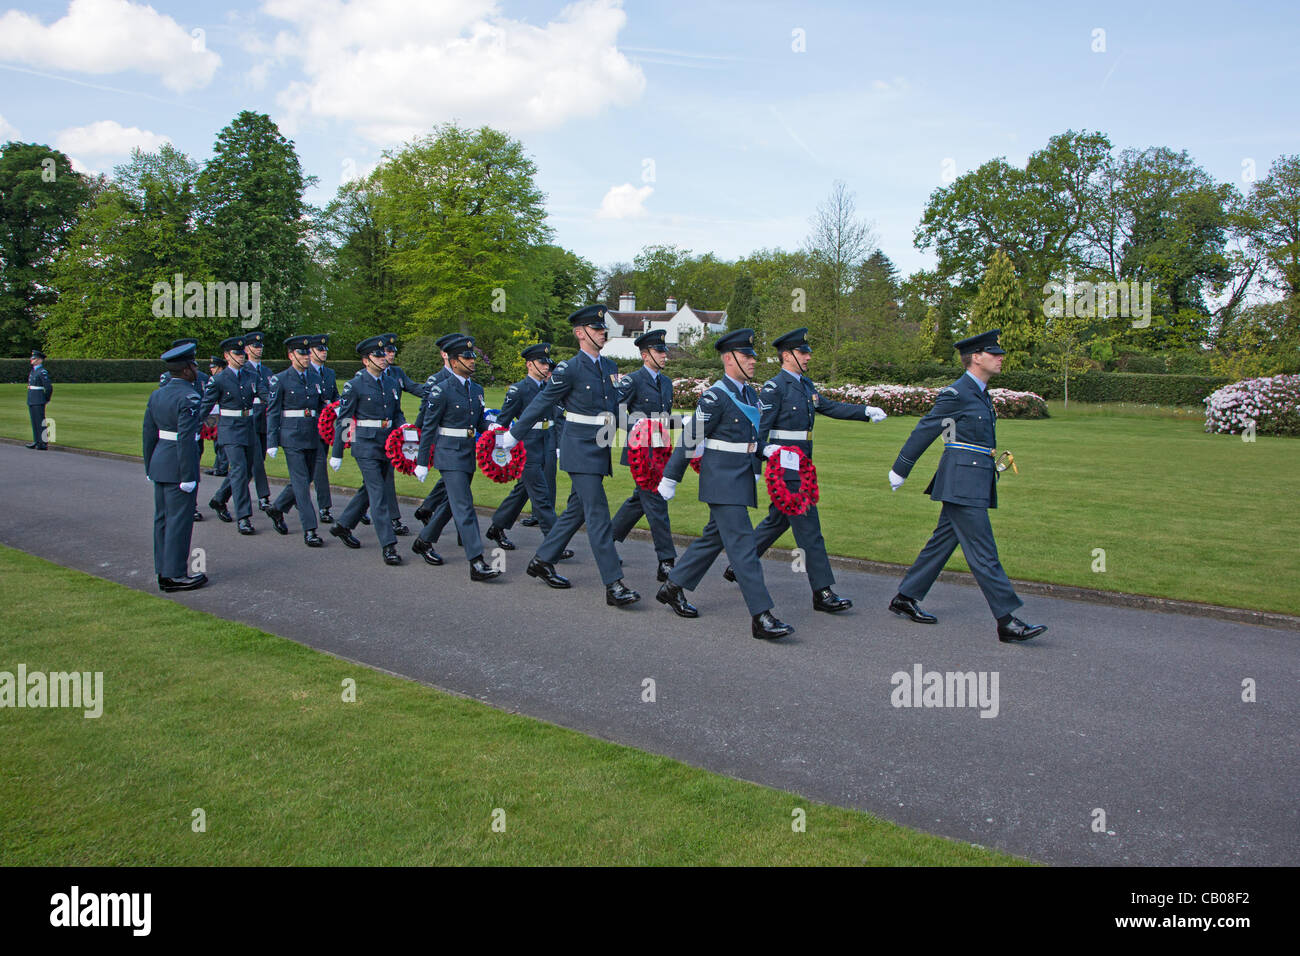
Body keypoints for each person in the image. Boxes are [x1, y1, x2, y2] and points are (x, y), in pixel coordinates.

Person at [887, 328, 1048, 643]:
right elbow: (928, 428)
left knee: (943, 541)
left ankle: (906, 597)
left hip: (971, 478)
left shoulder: (980, 392)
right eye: (994, 354)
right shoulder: (957, 393)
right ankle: (1006, 620)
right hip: (962, 482)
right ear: (976, 358)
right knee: (983, 551)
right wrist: (901, 468)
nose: (1001, 358)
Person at [721, 327, 888, 612]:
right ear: (787, 356)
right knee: (810, 529)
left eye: (807, 351)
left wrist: (864, 411)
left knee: (778, 520)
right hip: (786, 467)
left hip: (802, 462)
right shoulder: (776, 388)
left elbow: (829, 407)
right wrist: (757, 462)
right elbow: (759, 430)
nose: (808, 356)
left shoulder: (805, 385)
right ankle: (822, 592)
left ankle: (740, 564)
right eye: (803, 352)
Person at [654, 329, 794, 639]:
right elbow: (691, 437)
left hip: (739, 476)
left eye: (753, 357)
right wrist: (670, 477)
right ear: (729, 359)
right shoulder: (715, 396)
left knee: (713, 538)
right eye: (747, 357)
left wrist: (763, 451)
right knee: (743, 547)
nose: (753, 362)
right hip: (722, 480)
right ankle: (761, 616)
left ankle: (673, 587)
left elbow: (748, 437)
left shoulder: (749, 394)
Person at [499, 304, 640, 608]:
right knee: (598, 513)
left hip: (599, 447)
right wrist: (514, 434)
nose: (603, 333)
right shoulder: (569, 368)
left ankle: (542, 560)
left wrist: (640, 425)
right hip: (579, 449)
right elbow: (541, 402)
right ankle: (614, 585)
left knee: (576, 510)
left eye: (604, 329)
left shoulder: (608, 367)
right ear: (580, 333)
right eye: (597, 328)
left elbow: (614, 408)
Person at [412, 335, 501, 581]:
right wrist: (422, 461)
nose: (472, 361)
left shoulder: (476, 388)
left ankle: (424, 541)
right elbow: (429, 427)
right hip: (448, 452)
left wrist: (491, 427)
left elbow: (479, 419)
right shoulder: (441, 390)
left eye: (473, 357)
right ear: (452, 361)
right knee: (464, 505)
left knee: (452, 503)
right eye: (466, 357)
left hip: (467, 451)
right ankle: (476, 561)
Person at [327, 335, 404, 565]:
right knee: (378, 493)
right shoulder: (355, 385)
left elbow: (396, 413)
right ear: (365, 360)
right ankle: (389, 545)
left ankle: (343, 526)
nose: (383, 358)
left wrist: (405, 429)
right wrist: (337, 452)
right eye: (377, 355)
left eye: (385, 354)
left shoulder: (391, 383)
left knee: (369, 489)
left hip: (386, 443)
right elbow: (344, 419)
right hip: (365, 444)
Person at [610, 329, 678, 582]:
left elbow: (664, 417)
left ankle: (607, 541)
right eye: (659, 352)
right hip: (641, 454)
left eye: (664, 351)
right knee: (656, 500)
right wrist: (637, 428)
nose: (664, 356)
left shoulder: (666, 382)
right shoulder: (633, 381)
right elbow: (616, 413)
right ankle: (666, 561)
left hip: (660, 450)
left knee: (639, 500)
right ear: (644, 354)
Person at [143, 341, 207, 592]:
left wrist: (150, 465)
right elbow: (185, 439)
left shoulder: (157, 394)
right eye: (193, 365)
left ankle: (163, 569)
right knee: (179, 522)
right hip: (178, 465)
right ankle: (174, 575)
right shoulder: (189, 396)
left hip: (160, 461)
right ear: (187, 369)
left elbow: (149, 433)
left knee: (163, 520)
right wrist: (189, 474)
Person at [485, 343, 561, 549]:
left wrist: (558, 444)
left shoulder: (548, 388)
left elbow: (556, 417)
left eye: (547, 363)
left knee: (523, 491)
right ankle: (554, 543)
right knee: (541, 495)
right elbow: (503, 421)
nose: (546, 367)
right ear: (529, 365)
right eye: (541, 363)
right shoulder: (518, 390)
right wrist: (499, 449)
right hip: (527, 445)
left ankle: (497, 527)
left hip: (546, 442)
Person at [201, 335, 268, 533]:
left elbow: (265, 395)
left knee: (246, 471)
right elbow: (205, 407)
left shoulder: (251, 376)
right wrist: (192, 429)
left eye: (242, 353)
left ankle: (219, 499)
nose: (241, 356)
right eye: (237, 353)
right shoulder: (219, 379)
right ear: (227, 356)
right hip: (230, 429)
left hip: (248, 426)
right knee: (239, 470)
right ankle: (244, 517)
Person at [265, 335, 326, 547]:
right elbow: (273, 412)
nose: (307, 356)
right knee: (301, 484)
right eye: (302, 352)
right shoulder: (280, 379)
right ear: (291, 355)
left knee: (306, 477)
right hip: (291, 436)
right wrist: (271, 441)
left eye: (308, 352)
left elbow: (322, 407)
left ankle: (277, 508)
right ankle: (310, 529)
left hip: (312, 434)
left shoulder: (315, 378)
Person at [158, 338, 209, 523]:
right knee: (181, 468)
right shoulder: (168, 378)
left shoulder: (203, 378)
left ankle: (191, 503)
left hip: (196, 430)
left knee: (193, 464)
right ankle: (186, 505)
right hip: (180, 430)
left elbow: (208, 404)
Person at [204, 355, 230, 477]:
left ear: (220, 368)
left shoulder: (224, 378)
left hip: (222, 412)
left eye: (214, 367)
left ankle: (222, 468)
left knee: (221, 442)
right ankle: (217, 466)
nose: (212, 369)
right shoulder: (214, 378)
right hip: (214, 413)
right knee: (216, 441)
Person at [25, 349, 52, 450]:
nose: (32, 360)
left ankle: (43, 443)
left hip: (38, 398)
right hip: (32, 398)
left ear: (40, 360)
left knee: (40, 421)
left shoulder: (42, 371)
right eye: (32, 358)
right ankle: (36, 441)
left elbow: (48, 387)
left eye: (35, 359)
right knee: (34, 421)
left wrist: (46, 398)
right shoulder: (33, 371)